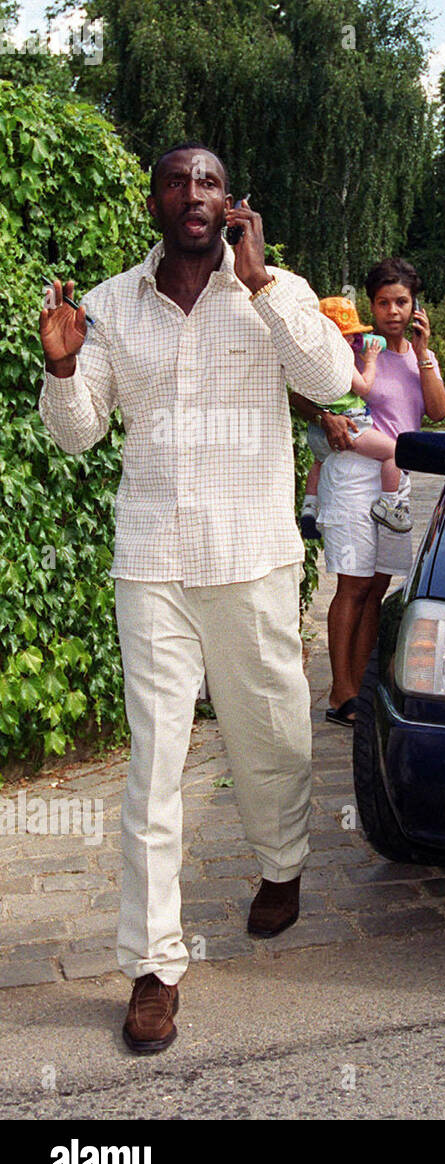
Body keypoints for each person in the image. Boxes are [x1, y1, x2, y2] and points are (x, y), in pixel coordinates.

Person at [37, 141, 354, 1054]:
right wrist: (62, 371)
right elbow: (78, 438)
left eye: (209, 181)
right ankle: (153, 967)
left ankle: (283, 864)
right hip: (153, 563)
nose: (193, 194)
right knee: (154, 766)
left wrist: (262, 286)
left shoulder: (276, 291)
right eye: (176, 180)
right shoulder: (105, 306)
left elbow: (335, 382)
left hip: (254, 557)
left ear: (231, 202)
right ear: (153, 204)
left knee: (272, 736)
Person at [289, 257, 445, 726]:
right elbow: (298, 389)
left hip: (397, 481)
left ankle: (361, 684)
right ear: (372, 305)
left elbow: (437, 411)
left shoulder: (416, 354)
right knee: (354, 584)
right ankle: (342, 695)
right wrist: (325, 416)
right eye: (383, 302)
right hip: (356, 476)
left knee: (378, 586)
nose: (393, 311)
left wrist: (424, 352)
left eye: (402, 301)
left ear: (415, 305)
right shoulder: (352, 346)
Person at [299, 298, 410, 536]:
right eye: (347, 336)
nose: (352, 341)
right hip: (351, 424)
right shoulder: (341, 360)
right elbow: (364, 388)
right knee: (396, 452)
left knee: (319, 462)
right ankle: (388, 504)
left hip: (318, 430)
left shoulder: (311, 362)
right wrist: (370, 361)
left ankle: (309, 507)